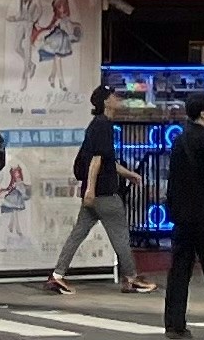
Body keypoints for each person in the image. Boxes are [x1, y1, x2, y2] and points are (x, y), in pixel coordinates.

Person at [42, 84, 135, 296]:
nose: (117, 98)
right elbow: (96, 160)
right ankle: (131, 278)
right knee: (120, 235)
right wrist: (92, 189)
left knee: (78, 233)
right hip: (104, 192)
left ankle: (58, 275)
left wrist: (129, 174)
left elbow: (107, 161)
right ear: (105, 101)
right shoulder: (103, 125)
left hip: (93, 194)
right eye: (113, 95)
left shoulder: (97, 125)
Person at [156, 97, 204, 340]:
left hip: (182, 213)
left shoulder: (180, 139)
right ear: (203, 112)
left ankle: (174, 324)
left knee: (179, 269)